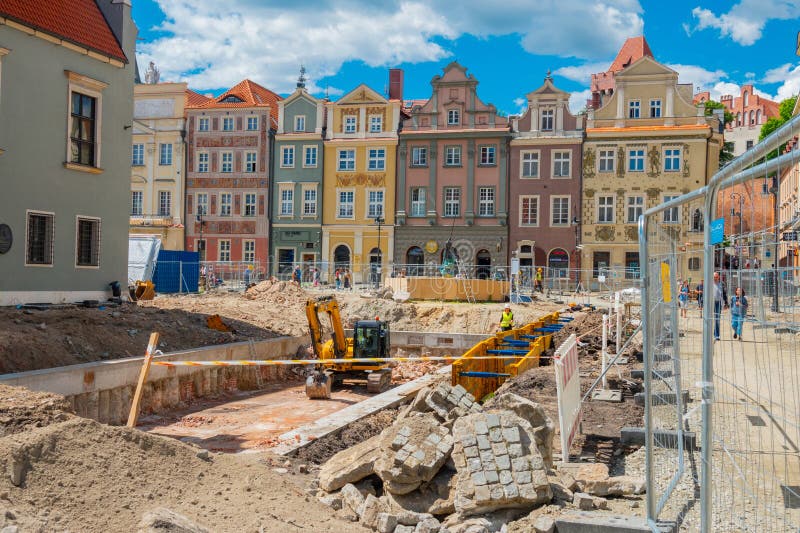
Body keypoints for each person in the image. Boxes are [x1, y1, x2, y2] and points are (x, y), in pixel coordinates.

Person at [712, 271, 729, 341]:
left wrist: (726, 303)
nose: (715, 278)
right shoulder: (710, 283)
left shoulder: (721, 284)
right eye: (714, 277)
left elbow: (724, 294)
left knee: (717, 319)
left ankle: (717, 335)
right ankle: (712, 333)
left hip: (718, 303)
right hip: (711, 303)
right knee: (709, 319)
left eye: (716, 277)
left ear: (718, 277)